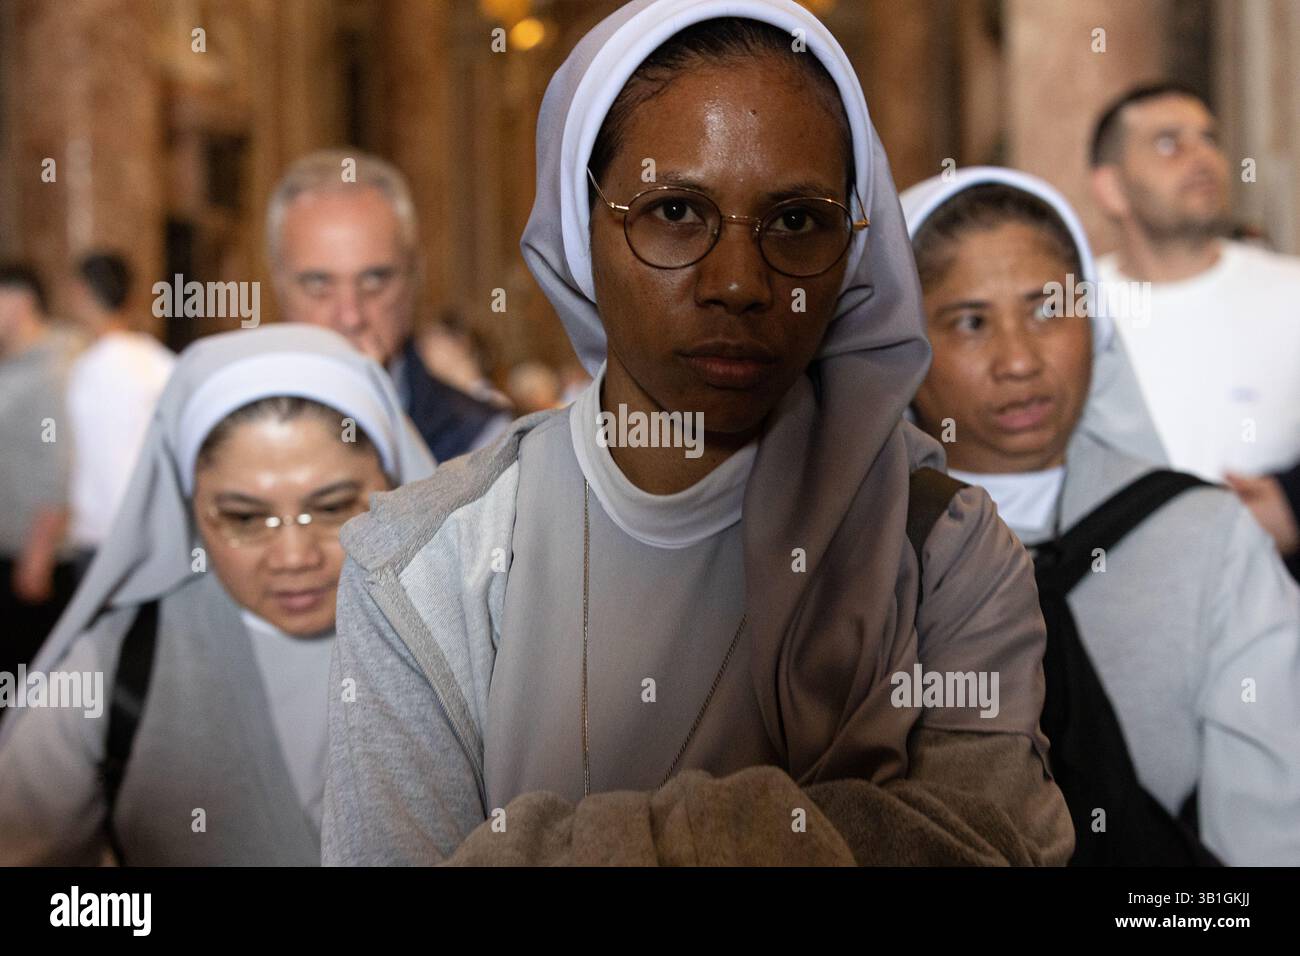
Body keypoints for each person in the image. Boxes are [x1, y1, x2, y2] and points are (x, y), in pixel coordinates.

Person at [323, 0, 1073, 867]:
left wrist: (547, 846)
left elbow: (993, 847)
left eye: (796, 221)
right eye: (676, 212)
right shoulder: (427, 566)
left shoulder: (943, 546)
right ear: (581, 231)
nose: (741, 283)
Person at [903, 166, 1300, 865]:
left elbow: (1270, 831)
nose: (1019, 360)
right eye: (970, 322)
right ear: (904, 345)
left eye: (1048, 308)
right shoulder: (862, 550)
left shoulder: (1207, 536)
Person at [0, 324, 433, 865]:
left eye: (331, 507)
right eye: (245, 518)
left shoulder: (466, 644)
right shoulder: (121, 667)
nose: (294, 555)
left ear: (391, 485)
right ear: (189, 510)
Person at [1088, 82, 1300, 576]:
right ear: (1111, 188)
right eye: (1169, 143)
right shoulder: (1071, 312)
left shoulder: (1291, 290)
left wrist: (1293, 504)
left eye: (1210, 139)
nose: (1202, 157)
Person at [267, 150, 510, 461]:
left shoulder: (481, 441)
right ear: (278, 284)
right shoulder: (227, 433)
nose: (350, 316)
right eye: (318, 284)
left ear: (414, 278)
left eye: (374, 280)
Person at [65, 252, 175, 575]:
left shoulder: (89, 367)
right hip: (153, 531)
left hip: (102, 534)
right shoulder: (159, 361)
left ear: (81, 292)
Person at [0, 264, 77, 701]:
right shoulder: (14, 364)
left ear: (20, 300)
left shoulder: (51, 368)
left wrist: (39, 553)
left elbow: (56, 464)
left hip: (32, 554)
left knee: (28, 681)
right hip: (10, 548)